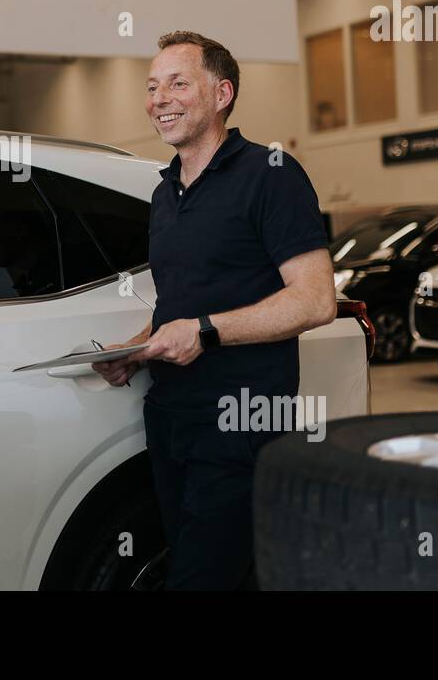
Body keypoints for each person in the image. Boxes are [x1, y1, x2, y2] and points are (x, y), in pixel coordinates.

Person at [94, 31, 336, 590]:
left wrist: (204, 332)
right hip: (172, 417)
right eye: (152, 87)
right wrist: (136, 349)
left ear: (222, 93)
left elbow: (315, 298)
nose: (159, 99)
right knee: (209, 570)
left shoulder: (269, 173)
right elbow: (183, 302)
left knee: (203, 579)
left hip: (241, 421)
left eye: (178, 83)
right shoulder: (164, 192)